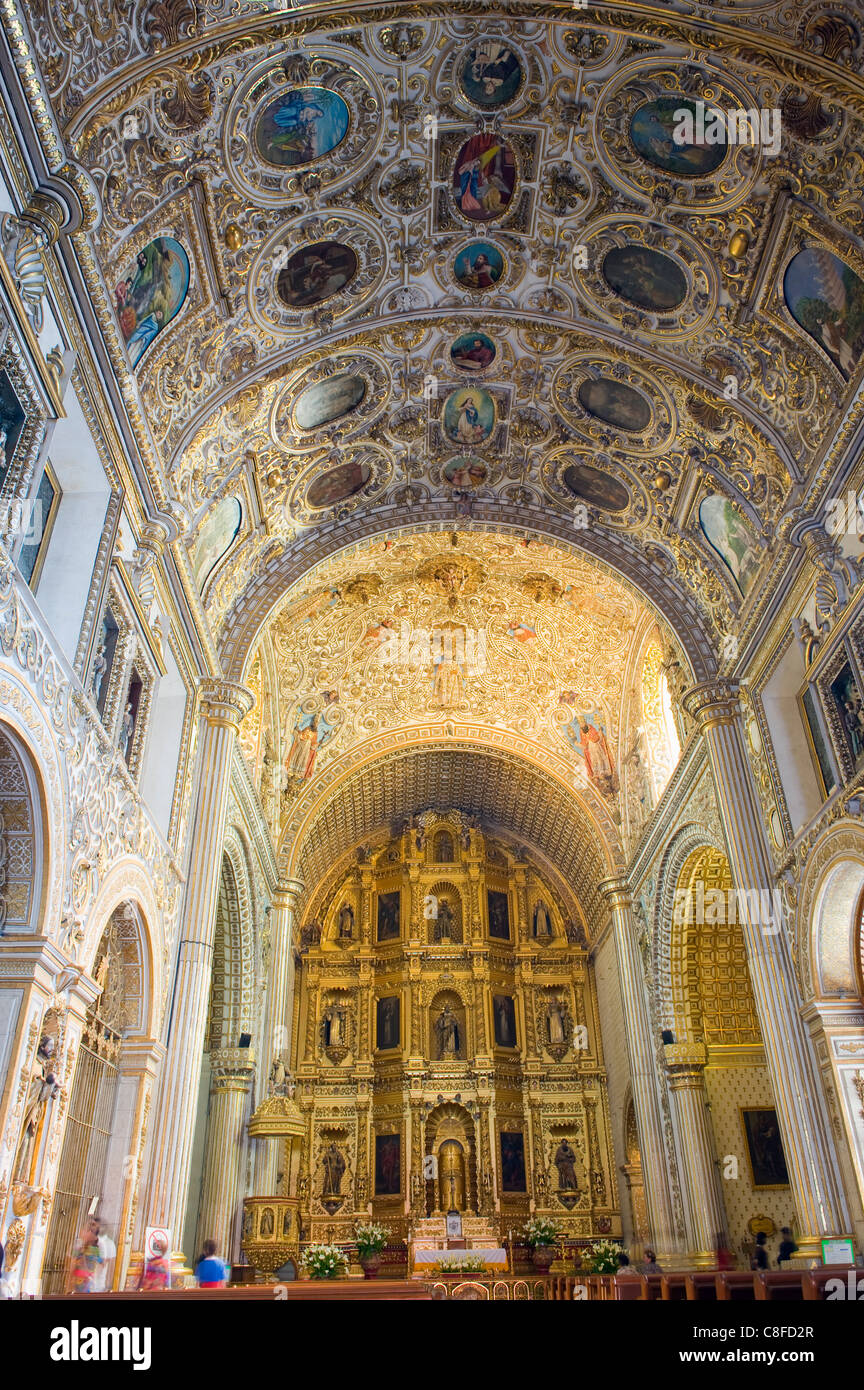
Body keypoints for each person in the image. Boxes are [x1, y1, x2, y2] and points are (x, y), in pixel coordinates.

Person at [91, 1222, 116, 1292]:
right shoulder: (85, 1243)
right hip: (86, 1283)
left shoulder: (102, 1243)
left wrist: (108, 1285)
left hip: (98, 1285)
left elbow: (105, 1262)